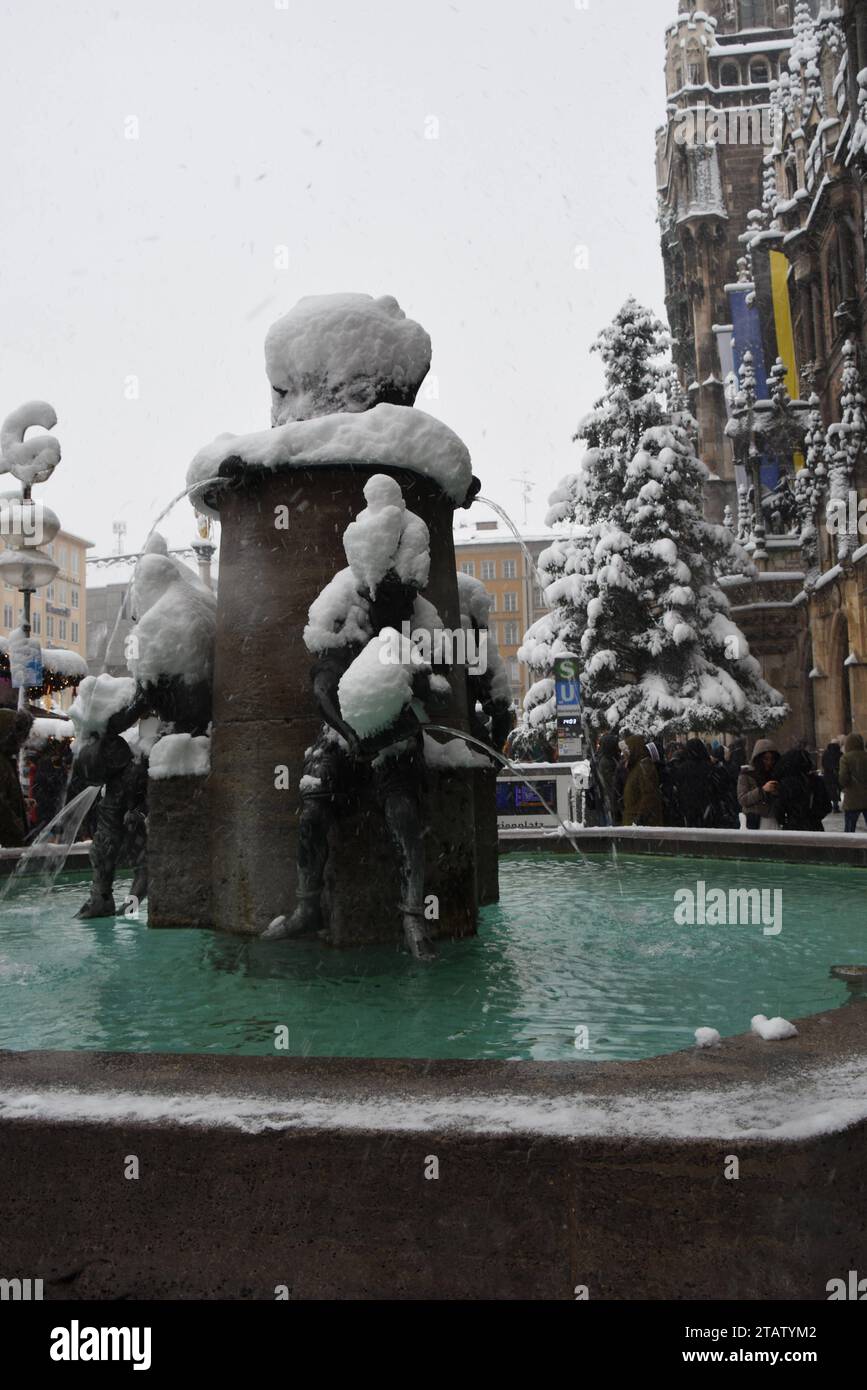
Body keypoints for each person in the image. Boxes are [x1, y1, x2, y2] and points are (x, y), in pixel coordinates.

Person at [774, 747, 831, 831]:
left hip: (792, 827)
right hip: (815, 827)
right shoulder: (817, 781)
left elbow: (779, 811)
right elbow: (826, 806)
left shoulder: (785, 783)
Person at [0, 709, 33, 847]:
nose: (22, 742)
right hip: (6, 847)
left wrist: (21, 803)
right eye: (20, 736)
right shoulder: (2, 763)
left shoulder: (6, 760)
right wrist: (16, 830)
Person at [737, 738, 780, 830]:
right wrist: (762, 790)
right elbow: (743, 799)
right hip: (754, 821)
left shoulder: (775, 774)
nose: (769, 762)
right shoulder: (746, 774)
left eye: (772, 759)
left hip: (772, 820)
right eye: (765, 759)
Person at [622, 735, 664, 827]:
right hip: (635, 825)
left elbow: (649, 796)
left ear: (634, 749)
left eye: (627, 750)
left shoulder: (644, 766)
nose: (624, 753)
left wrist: (638, 820)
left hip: (641, 827)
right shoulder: (636, 767)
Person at [839, 732, 867, 833]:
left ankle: (848, 848)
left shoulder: (846, 758)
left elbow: (843, 778)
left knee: (850, 830)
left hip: (852, 797)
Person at [594, 732, 622, 825]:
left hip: (606, 798)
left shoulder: (604, 757)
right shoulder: (607, 761)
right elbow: (612, 784)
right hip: (609, 799)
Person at [822, 739, 843, 814]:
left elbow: (823, 764)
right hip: (837, 775)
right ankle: (835, 806)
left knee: (829, 791)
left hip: (828, 775)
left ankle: (829, 806)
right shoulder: (839, 753)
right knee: (837, 791)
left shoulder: (826, 754)